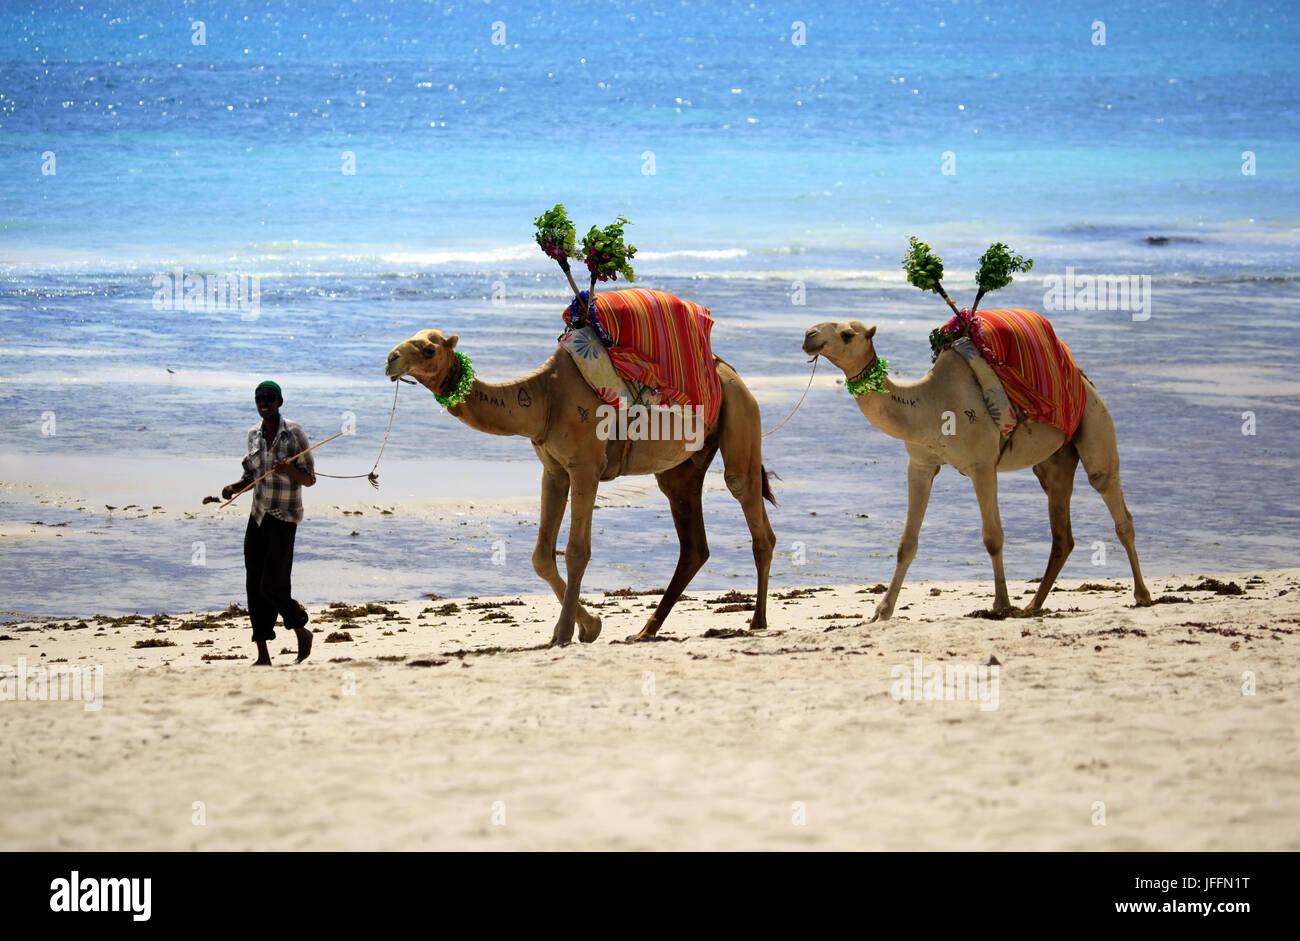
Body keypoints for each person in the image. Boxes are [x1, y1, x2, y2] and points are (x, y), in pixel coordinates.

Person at [220, 380, 316, 665]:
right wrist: (235, 487)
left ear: (280, 402)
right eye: (260, 398)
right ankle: (263, 655)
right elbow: (252, 476)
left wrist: (288, 469)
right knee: (254, 586)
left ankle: (300, 628)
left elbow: (309, 479)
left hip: (284, 517)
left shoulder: (294, 433)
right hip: (258, 516)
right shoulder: (253, 435)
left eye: (270, 398)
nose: (265, 402)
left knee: (272, 586)